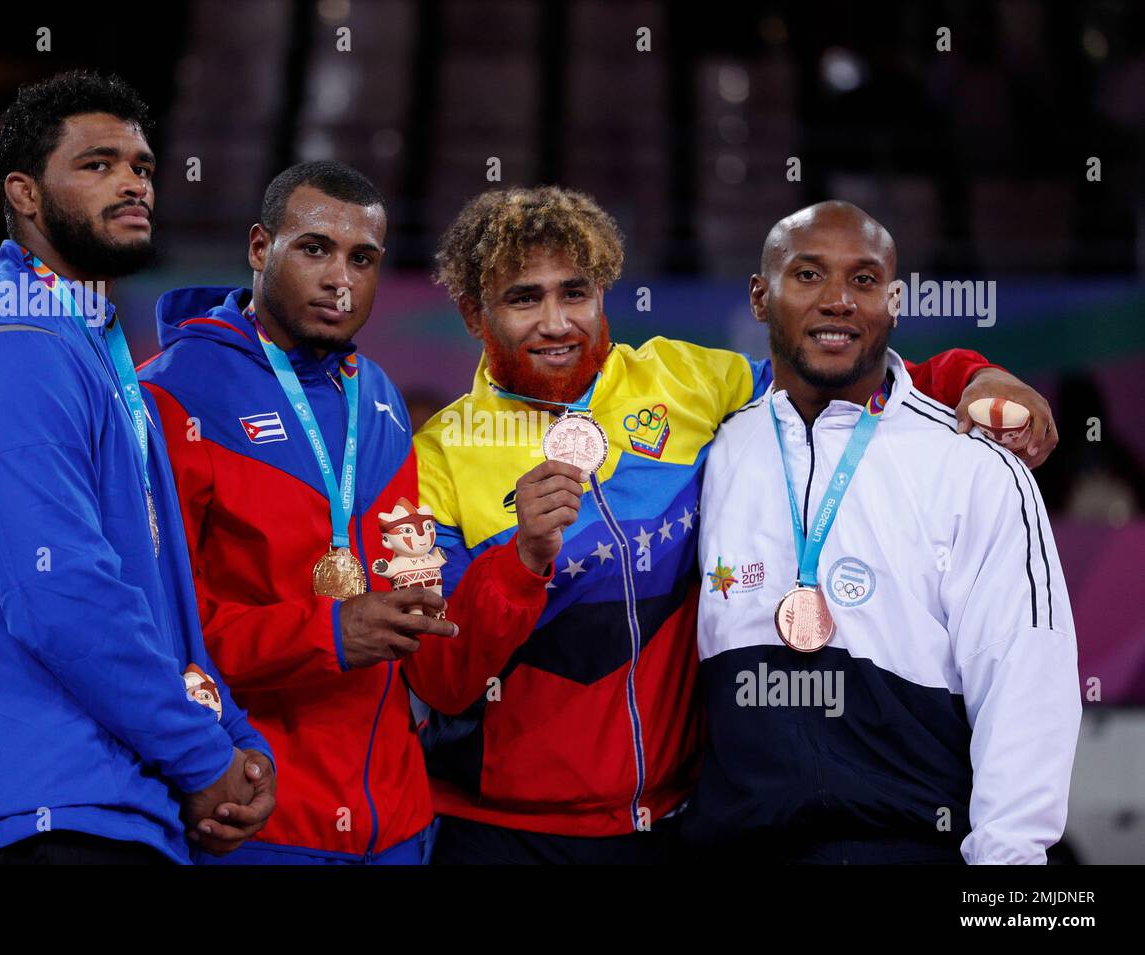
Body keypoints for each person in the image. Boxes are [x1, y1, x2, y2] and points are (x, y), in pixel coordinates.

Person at [413, 185, 1057, 863]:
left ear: (602, 293)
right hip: (503, 836)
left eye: (574, 293)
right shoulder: (435, 462)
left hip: (665, 830)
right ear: (471, 312)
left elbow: (835, 373)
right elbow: (440, 679)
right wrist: (521, 563)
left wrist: (971, 373)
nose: (556, 322)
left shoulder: (684, 382)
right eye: (524, 298)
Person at [0, 70, 274, 865]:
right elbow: (61, 595)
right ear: (25, 194)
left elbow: (153, 595)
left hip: (113, 808)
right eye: (98, 164)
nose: (133, 183)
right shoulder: (9, 348)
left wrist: (231, 732)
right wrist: (205, 758)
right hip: (47, 818)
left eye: (141, 166)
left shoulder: (92, 347)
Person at [137, 161, 552, 864]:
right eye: (314, 249)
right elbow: (153, 638)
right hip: (259, 821)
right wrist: (326, 632)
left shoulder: (379, 398)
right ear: (261, 248)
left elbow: (422, 622)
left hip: (395, 825)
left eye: (363, 258)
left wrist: (519, 565)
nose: (341, 279)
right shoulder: (171, 396)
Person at [686, 201, 1080, 863]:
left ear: (895, 301)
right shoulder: (714, 451)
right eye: (808, 276)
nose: (838, 300)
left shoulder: (972, 466)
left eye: (864, 280)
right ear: (760, 296)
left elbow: (1025, 683)